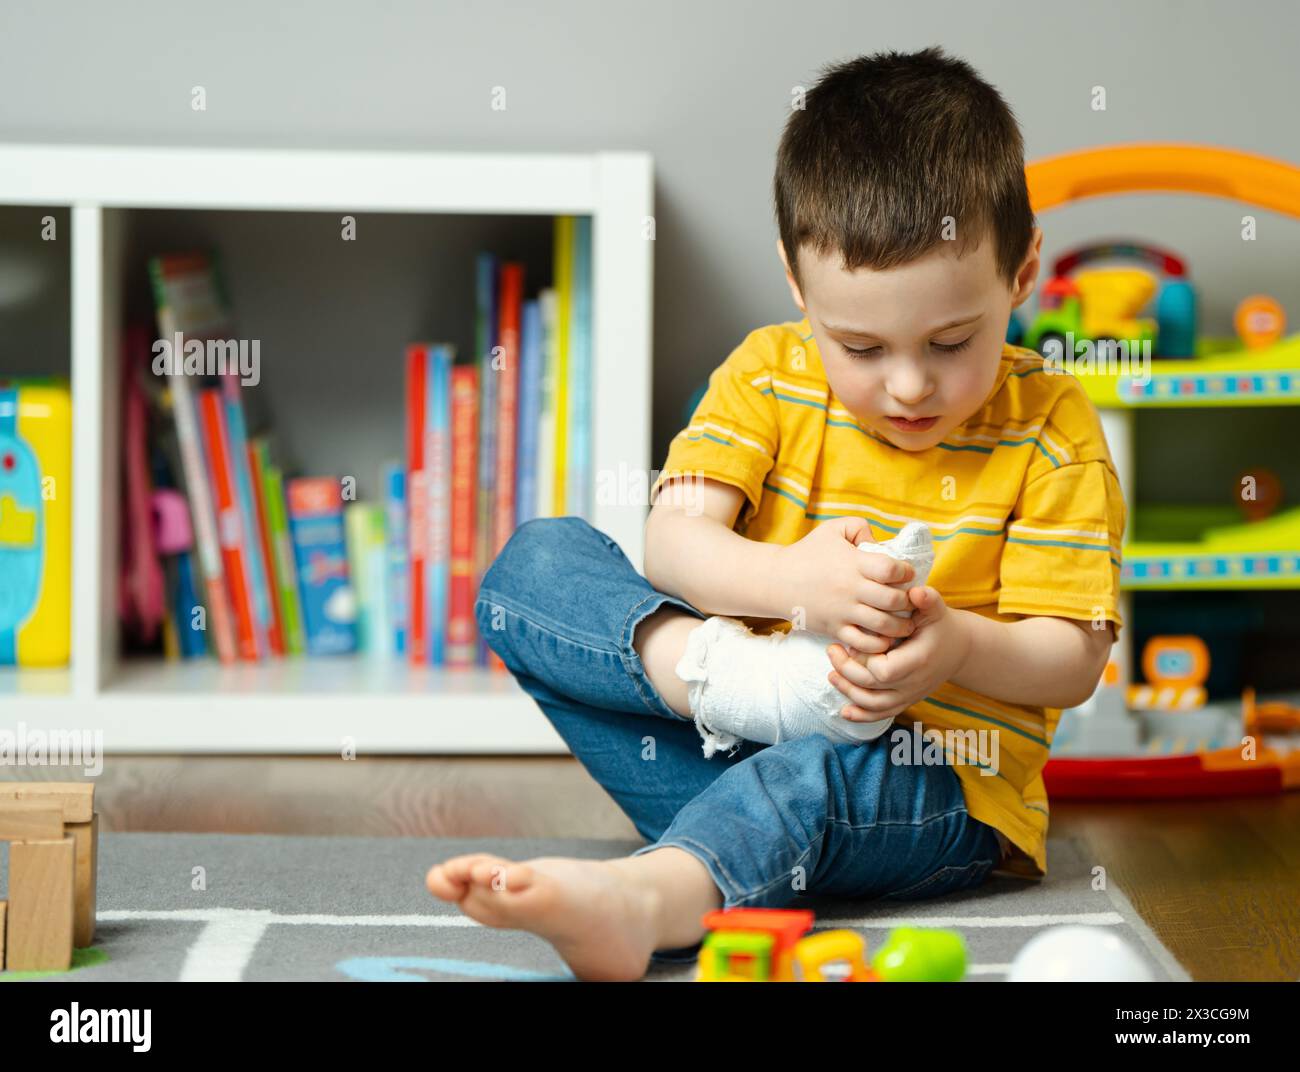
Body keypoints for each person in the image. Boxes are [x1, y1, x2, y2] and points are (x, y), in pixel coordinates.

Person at [426, 46, 1126, 982]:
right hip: (727, 743)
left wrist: (956, 645)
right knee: (535, 567)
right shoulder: (768, 371)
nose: (910, 384)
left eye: (953, 341)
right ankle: (735, 738)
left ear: (1022, 271)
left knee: (812, 777)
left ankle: (642, 902)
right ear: (799, 286)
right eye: (863, 346)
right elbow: (671, 543)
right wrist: (788, 590)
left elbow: (1072, 659)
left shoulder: (1052, 427)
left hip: (931, 790)